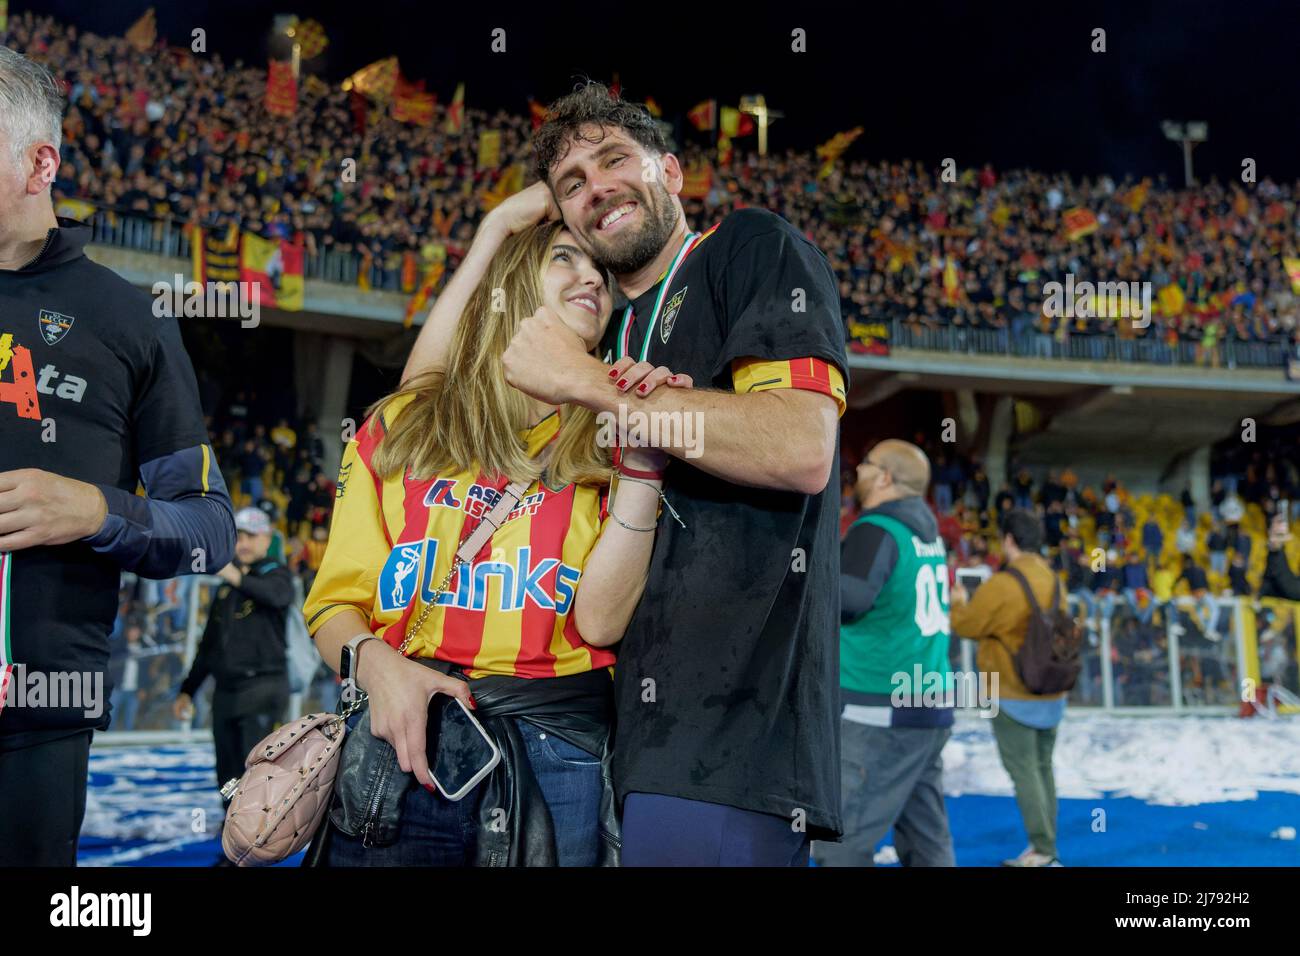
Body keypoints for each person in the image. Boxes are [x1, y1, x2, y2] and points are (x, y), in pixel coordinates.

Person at [497, 82, 849, 864]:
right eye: (572, 184)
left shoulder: (749, 250)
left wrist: (590, 387)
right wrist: (497, 226)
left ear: (671, 172)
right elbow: (426, 401)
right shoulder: (596, 328)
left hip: (730, 743)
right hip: (607, 741)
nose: (598, 189)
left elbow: (800, 446)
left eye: (615, 159)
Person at [306, 207, 670, 866]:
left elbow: (602, 623)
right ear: (510, 281)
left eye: (602, 270)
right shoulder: (407, 428)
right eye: (565, 257)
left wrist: (643, 464)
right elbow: (333, 604)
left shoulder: (614, 432)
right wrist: (374, 664)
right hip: (403, 734)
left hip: (558, 749)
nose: (592, 277)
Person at [0, 46, 235, 866]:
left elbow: (211, 530)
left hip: (32, 715)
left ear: (40, 163)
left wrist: (96, 511)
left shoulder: (126, 317)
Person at [813, 440, 956, 867]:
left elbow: (849, 599)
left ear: (885, 478)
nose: (855, 472)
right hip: (926, 704)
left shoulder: (877, 528)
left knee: (841, 844)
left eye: (865, 464)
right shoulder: (926, 531)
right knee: (926, 840)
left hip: (881, 710)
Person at [949, 509, 1067, 867]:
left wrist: (958, 602)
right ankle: (1047, 846)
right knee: (1043, 767)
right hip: (1051, 690)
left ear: (1010, 540)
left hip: (1012, 692)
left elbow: (967, 626)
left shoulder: (1003, 583)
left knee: (1023, 771)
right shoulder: (1054, 579)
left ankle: (1043, 850)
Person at [175, 508, 295, 806]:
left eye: (251, 536)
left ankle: (258, 836)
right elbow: (209, 646)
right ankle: (231, 830)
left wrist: (235, 576)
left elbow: (278, 596)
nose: (243, 543)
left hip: (262, 689)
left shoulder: (276, 574)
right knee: (227, 776)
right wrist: (187, 690)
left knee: (257, 773)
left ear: (267, 539)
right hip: (226, 694)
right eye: (238, 536)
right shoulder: (227, 588)